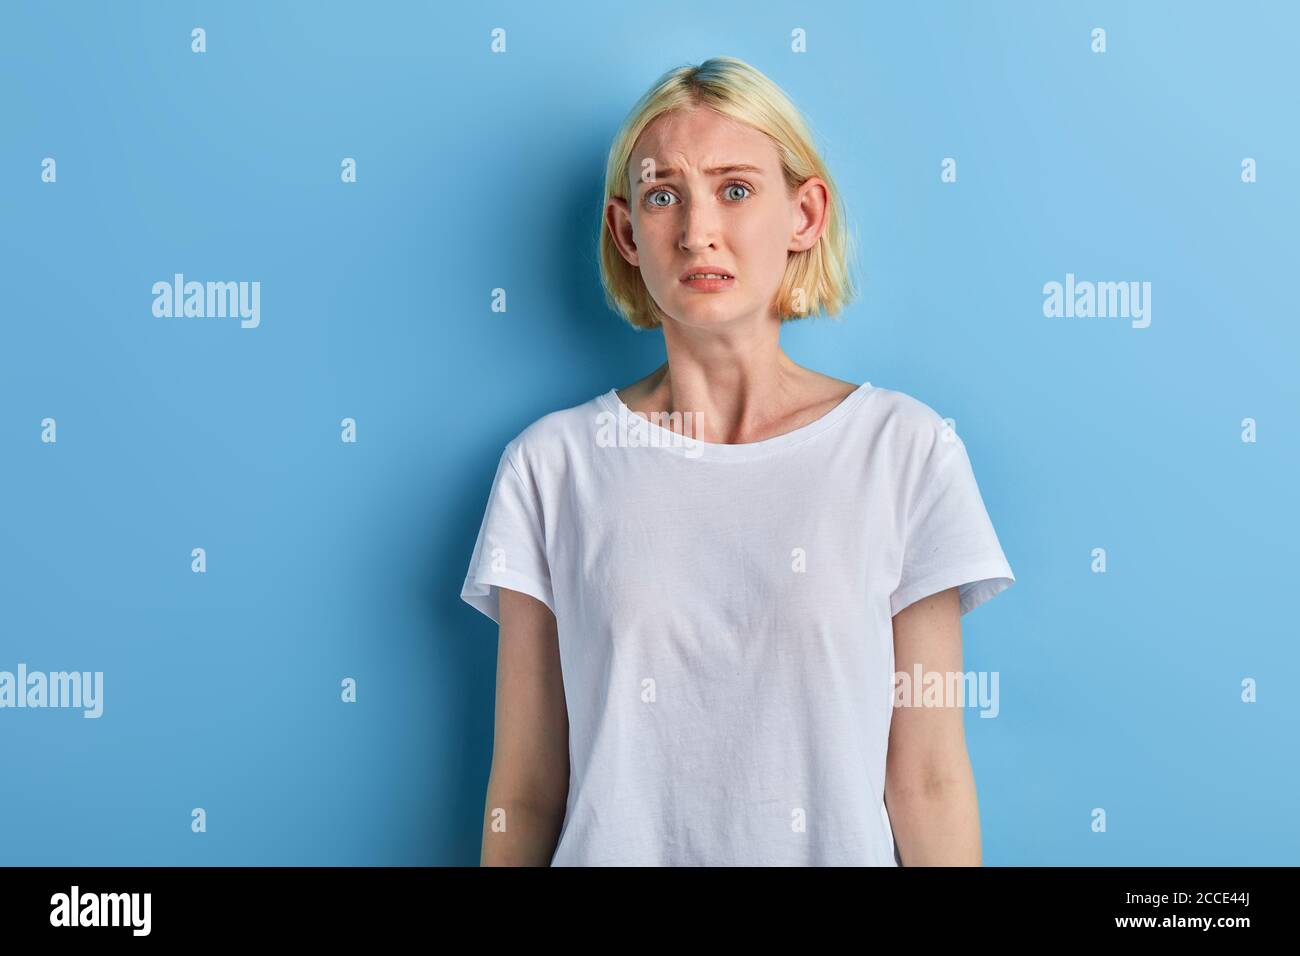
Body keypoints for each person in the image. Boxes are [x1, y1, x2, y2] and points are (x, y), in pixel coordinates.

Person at [461, 56, 1015, 866]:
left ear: (805, 213)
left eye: (736, 189)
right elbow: (526, 790)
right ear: (626, 233)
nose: (697, 231)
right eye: (662, 195)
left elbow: (927, 780)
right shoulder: (550, 468)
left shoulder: (905, 451)